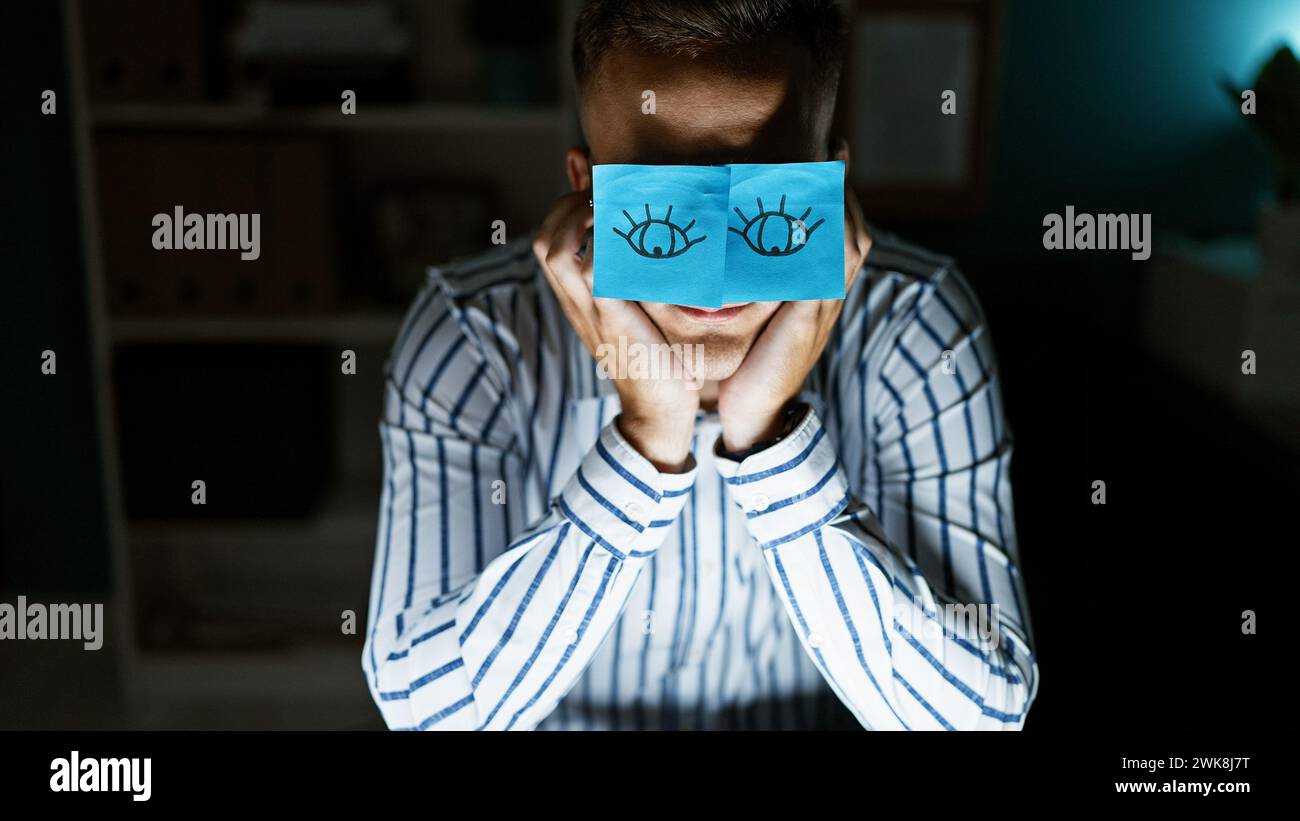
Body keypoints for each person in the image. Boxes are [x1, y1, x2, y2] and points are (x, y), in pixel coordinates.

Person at [362, 0, 1038, 730]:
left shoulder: (918, 325)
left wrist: (768, 436)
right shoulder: (471, 335)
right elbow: (424, 710)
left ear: (833, 185)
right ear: (587, 191)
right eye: (662, 207)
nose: (718, 275)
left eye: (767, 203)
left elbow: (983, 715)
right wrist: (647, 439)